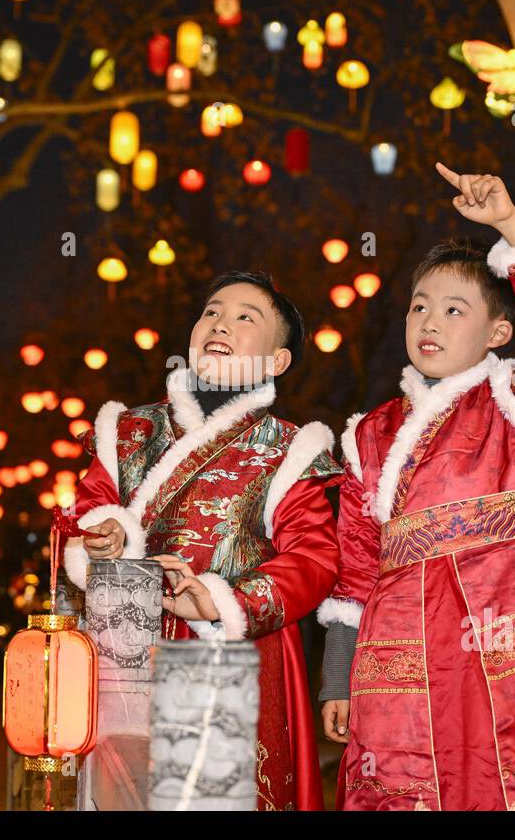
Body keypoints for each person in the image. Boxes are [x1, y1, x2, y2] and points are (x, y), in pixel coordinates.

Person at [317, 163, 515, 810]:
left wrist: (512, 226)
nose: (429, 320)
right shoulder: (368, 435)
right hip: (395, 653)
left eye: (454, 308)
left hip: (500, 632)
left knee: (509, 779)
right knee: (401, 784)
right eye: (419, 306)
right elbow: (353, 567)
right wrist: (336, 679)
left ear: (497, 334)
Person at [63, 271, 343, 810]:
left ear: (278, 360)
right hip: (124, 655)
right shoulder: (127, 431)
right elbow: (84, 513)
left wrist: (222, 600)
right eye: (212, 311)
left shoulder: (289, 449)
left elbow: (314, 558)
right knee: (119, 795)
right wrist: (101, 536)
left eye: (245, 317)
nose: (221, 323)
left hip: (228, 652)